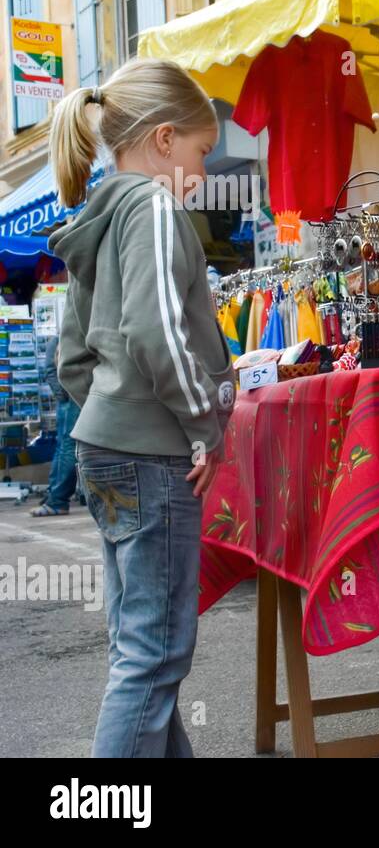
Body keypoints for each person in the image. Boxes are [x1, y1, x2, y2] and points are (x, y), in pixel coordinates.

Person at [49, 59, 236, 756]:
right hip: (152, 454)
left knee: (142, 649)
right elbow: (156, 329)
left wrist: (108, 413)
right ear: (163, 139)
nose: (205, 171)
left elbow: (73, 358)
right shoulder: (155, 209)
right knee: (153, 657)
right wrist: (203, 428)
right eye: (200, 151)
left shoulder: (98, 216)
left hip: (106, 448)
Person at [30, 334, 81, 516]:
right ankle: (56, 498)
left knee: (65, 447)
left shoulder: (64, 336)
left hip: (71, 396)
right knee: (68, 447)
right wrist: (63, 394)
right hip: (73, 396)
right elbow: (51, 369)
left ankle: (56, 497)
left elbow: (50, 369)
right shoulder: (65, 337)